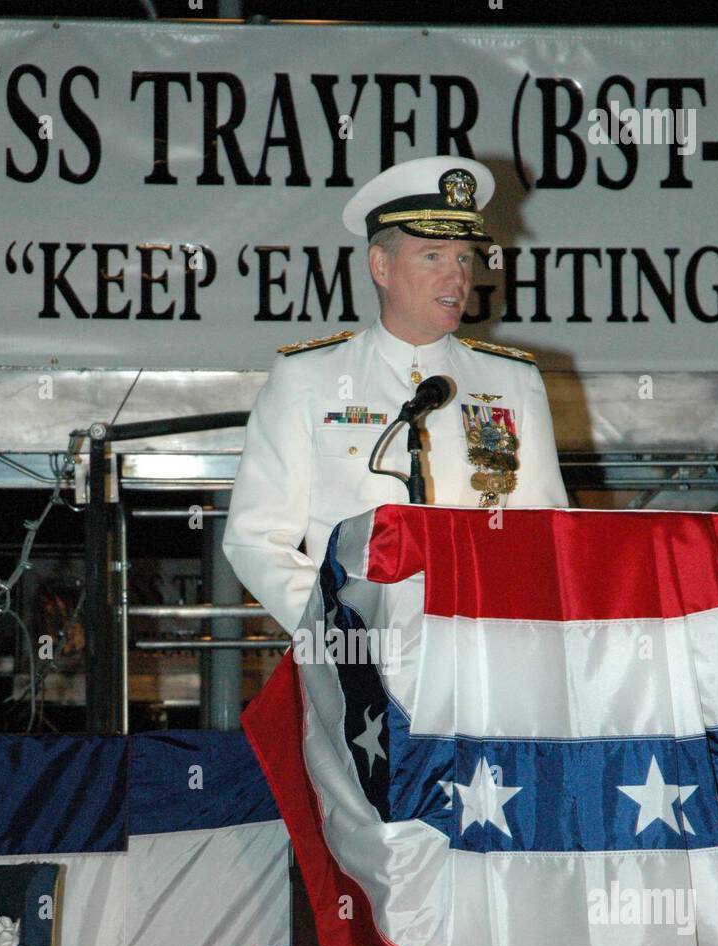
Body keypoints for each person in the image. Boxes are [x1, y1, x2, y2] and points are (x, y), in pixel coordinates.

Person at [223, 155, 568, 635]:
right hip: (352, 656)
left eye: (464, 258)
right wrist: (341, 625)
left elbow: (543, 535)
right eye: (433, 256)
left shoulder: (513, 382)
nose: (457, 277)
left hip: (478, 648)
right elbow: (256, 539)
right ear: (380, 265)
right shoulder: (308, 377)